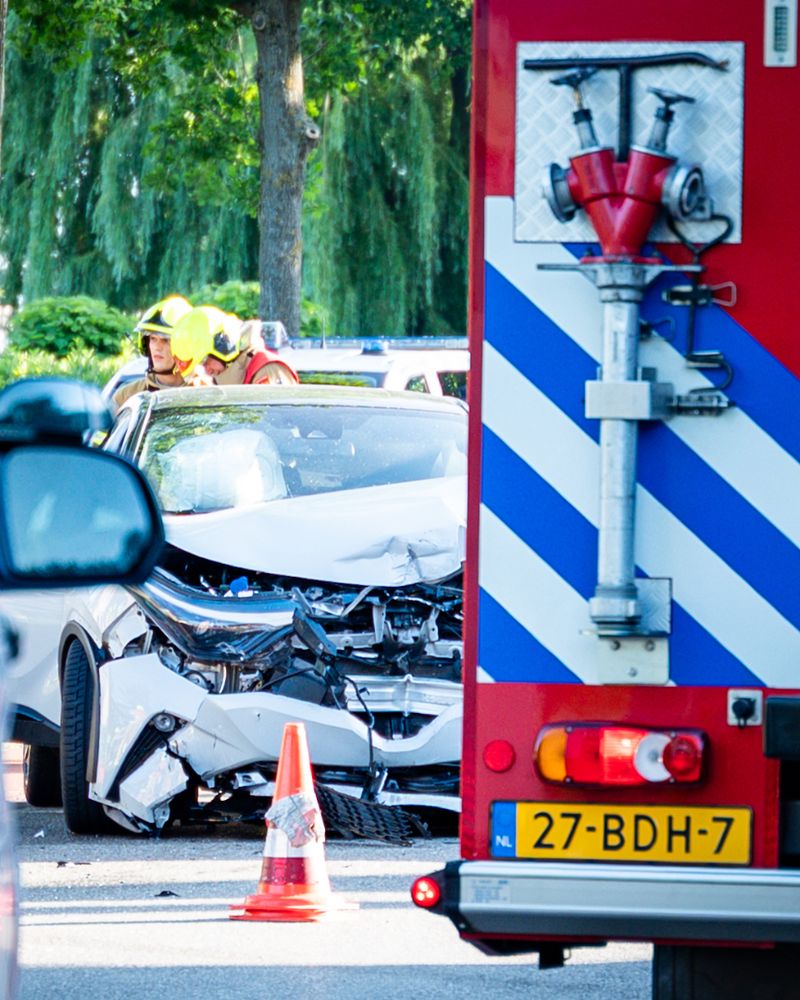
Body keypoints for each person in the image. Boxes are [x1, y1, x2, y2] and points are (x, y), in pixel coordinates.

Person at [169, 305, 299, 386]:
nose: (207, 370)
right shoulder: (223, 380)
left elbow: (277, 425)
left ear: (223, 345)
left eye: (205, 361)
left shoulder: (268, 370)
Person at [112, 295, 193, 410]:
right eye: (153, 339)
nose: (157, 348)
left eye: (166, 340)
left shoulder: (202, 395)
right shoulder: (126, 397)